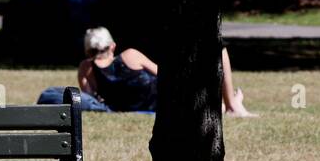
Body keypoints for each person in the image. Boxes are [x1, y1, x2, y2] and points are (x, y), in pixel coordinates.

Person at [36, 27, 255, 115]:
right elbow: (167, 74)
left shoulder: (86, 67)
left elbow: (91, 97)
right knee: (219, 50)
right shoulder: (130, 54)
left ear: (87, 50)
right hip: (166, 100)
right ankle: (233, 104)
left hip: (137, 107)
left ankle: (231, 103)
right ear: (112, 46)